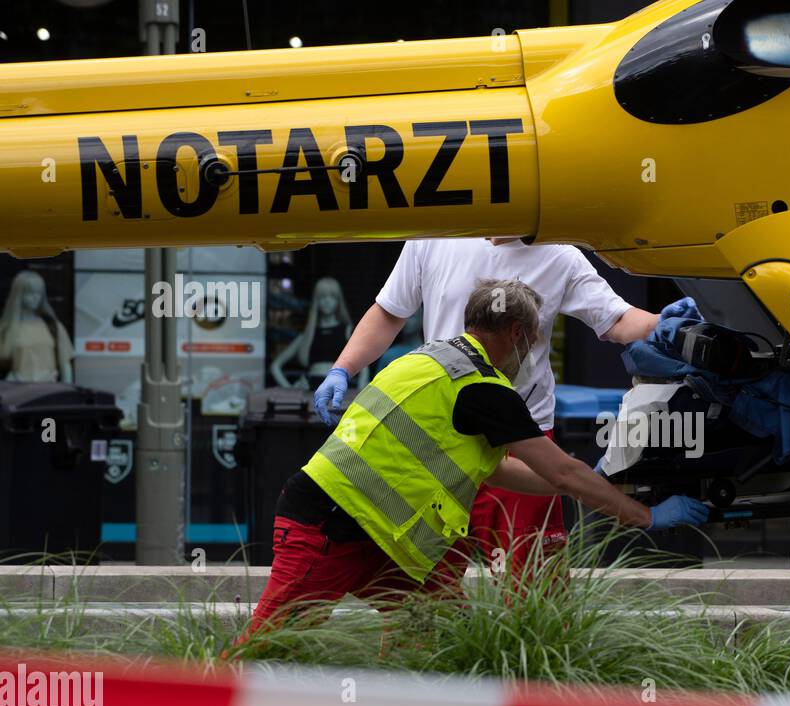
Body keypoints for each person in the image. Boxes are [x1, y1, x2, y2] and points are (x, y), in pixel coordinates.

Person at [239, 278, 708, 643]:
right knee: (273, 640)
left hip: (371, 533)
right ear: (521, 333)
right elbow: (562, 472)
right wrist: (645, 516)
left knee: (439, 630)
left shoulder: (426, 359)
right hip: (331, 526)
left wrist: (599, 479)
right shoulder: (484, 387)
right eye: (535, 337)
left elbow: (504, 470)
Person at [312, 237, 699, 573]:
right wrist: (342, 369)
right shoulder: (436, 237)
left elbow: (616, 319)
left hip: (520, 431)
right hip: (442, 434)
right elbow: (390, 310)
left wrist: (663, 323)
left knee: (533, 582)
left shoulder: (559, 254)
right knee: (425, 576)